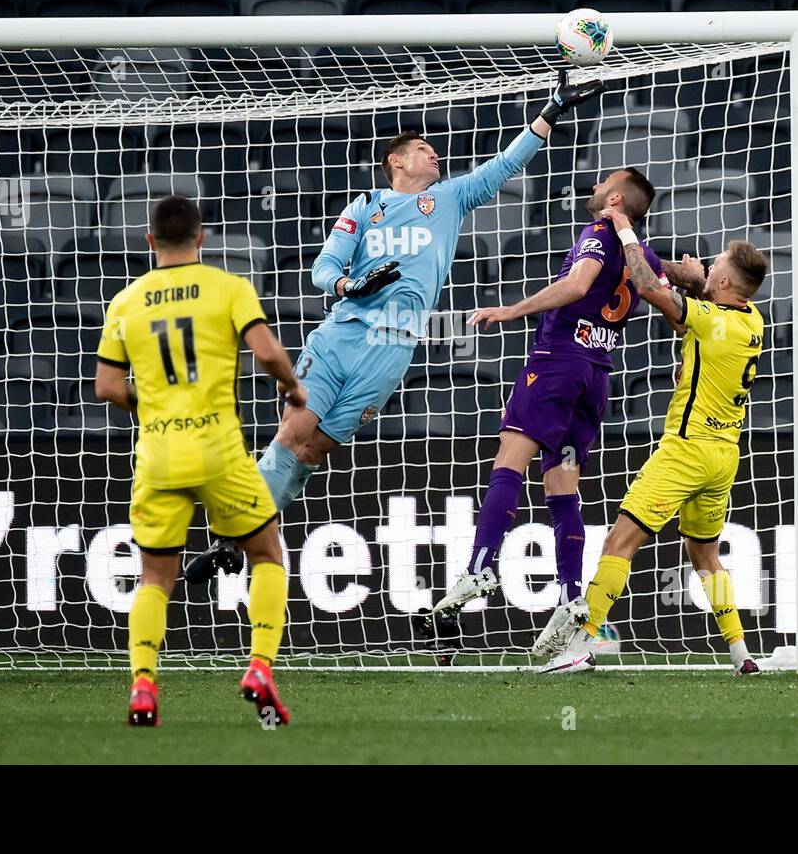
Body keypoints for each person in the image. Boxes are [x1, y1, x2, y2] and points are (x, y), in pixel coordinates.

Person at [187, 70, 604, 584]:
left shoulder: (449, 199)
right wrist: (349, 286)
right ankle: (232, 535)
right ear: (397, 161)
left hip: (393, 349)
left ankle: (240, 538)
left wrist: (551, 111)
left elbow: (505, 165)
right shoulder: (365, 206)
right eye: (424, 149)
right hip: (342, 335)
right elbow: (322, 269)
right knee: (293, 432)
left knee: (312, 450)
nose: (435, 155)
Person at [426, 167, 707, 659]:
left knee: (509, 459)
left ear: (614, 197)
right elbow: (669, 281)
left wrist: (511, 311)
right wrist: (694, 274)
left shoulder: (599, 231)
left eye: (603, 183)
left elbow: (578, 285)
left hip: (556, 366)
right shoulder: (637, 251)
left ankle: (479, 565)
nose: (594, 186)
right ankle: (570, 595)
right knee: (563, 487)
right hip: (595, 379)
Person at [94, 194, 306, 726]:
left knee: (154, 579)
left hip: (159, 455)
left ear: (149, 242)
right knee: (267, 554)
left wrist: (151, 405)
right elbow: (267, 353)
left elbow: (106, 386)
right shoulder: (227, 288)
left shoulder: (127, 301)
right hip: (218, 451)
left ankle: (143, 686)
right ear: (201, 238)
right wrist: (292, 388)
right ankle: (260, 667)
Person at [542, 215, 768, 676]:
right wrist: (688, 283)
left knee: (619, 541)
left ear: (723, 280)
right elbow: (685, 322)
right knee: (705, 554)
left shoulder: (708, 318)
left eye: (713, 267)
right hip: (725, 456)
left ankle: (583, 646)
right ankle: (742, 654)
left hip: (686, 450)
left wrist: (626, 233)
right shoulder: (752, 321)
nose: (706, 268)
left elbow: (646, 289)